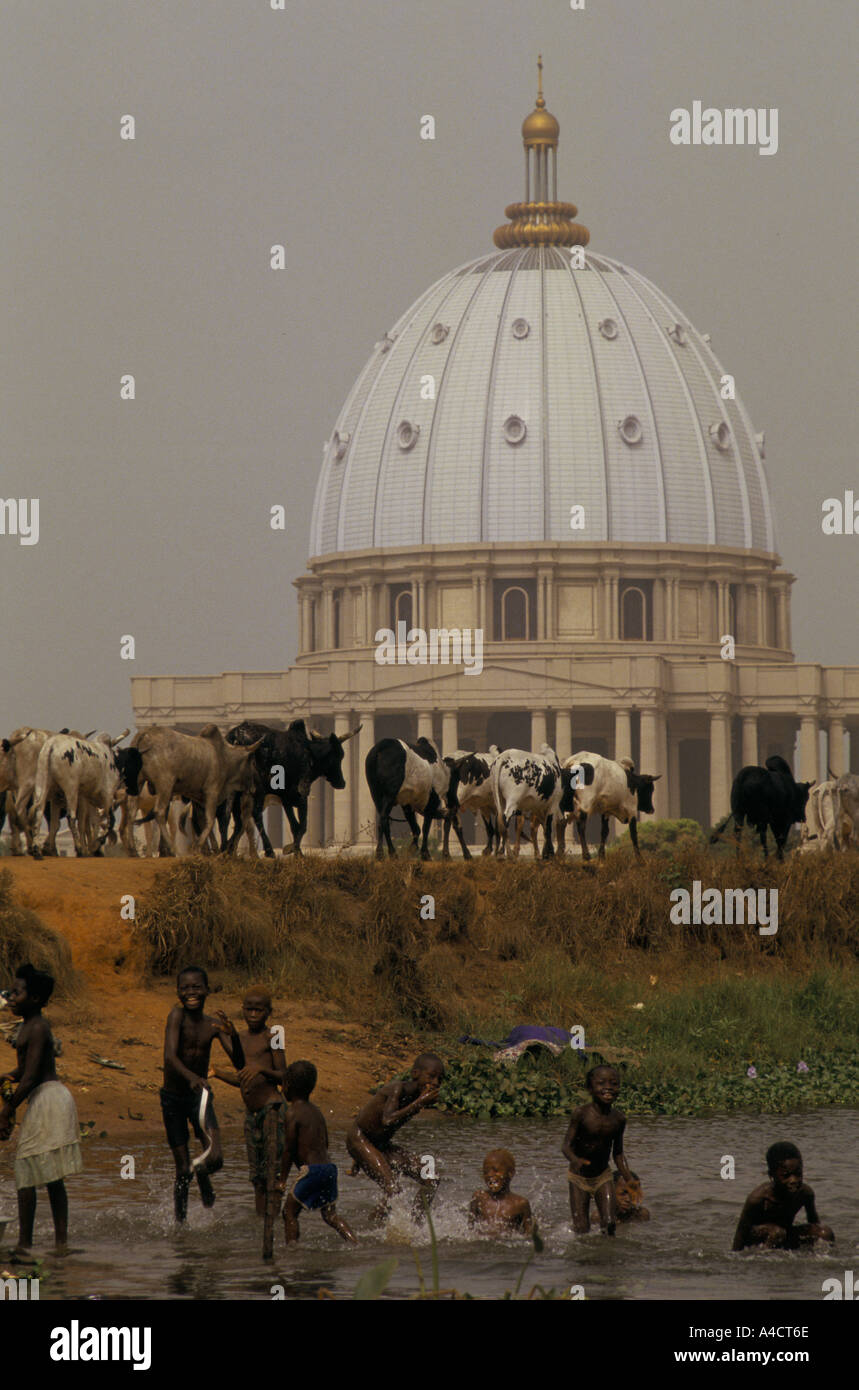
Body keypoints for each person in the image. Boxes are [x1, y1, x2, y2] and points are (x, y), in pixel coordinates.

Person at [0, 963, 83, 1257]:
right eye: (10, 991)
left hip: (48, 1099)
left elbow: (33, 1075)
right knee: (50, 1175)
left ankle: (25, 1245)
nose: (10, 996)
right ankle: (60, 1244)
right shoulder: (30, 1026)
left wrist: (7, 1109)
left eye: (17, 992)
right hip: (49, 1098)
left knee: (26, 1170)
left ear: (34, 999)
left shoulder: (36, 1027)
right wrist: (8, 1077)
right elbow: (25, 1071)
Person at [161, 965, 245, 1222]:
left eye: (196, 987)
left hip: (199, 1098)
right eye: (185, 988)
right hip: (174, 1097)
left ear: (207, 990)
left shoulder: (214, 1025)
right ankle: (180, 1223)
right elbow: (170, 1056)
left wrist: (235, 1035)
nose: (191, 992)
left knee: (216, 1156)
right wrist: (192, 1078)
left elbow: (240, 1063)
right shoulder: (176, 1016)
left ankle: (202, 1171)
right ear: (178, 992)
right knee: (182, 1170)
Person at [211, 986, 288, 1217]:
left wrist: (262, 1069)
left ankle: (271, 1223)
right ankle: (260, 1222)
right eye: (249, 1009)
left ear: (268, 1012)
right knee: (256, 1177)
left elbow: (284, 1074)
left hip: (272, 1110)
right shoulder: (241, 1038)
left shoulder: (273, 1035)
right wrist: (218, 1071)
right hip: (251, 1114)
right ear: (242, 1010)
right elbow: (242, 1073)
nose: (253, 1015)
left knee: (272, 1173)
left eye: (259, 1010)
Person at [346, 1052, 444, 1222]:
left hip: (380, 1144)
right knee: (393, 1190)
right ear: (415, 1074)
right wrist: (359, 1154)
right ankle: (372, 1226)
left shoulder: (417, 1097)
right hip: (360, 1139)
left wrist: (362, 1158)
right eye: (431, 1076)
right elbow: (387, 1120)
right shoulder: (398, 1089)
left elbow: (381, 1126)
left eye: (439, 1079)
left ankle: (416, 1222)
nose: (435, 1083)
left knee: (432, 1179)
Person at [280, 1060, 356, 1245]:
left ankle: (292, 1250)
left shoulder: (292, 1112)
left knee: (289, 1212)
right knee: (330, 1216)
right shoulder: (316, 1112)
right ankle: (354, 1242)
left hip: (311, 1171)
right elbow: (326, 1143)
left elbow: (288, 1150)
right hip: (329, 1169)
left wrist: (281, 1179)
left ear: (288, 1085)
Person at [562, 1064, 633, 1236]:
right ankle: (584, 1259)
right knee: (581, 1228)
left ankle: (607, 1258)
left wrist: (629, 1178)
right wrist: (575, 1160)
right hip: (579, 1178)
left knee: (609, 1223)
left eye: (614, 1084)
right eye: (601, 1083)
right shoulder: (581, 1114)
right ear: (589, 1088)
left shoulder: (619, 1118)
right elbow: (566, 1146)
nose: (608, 1087)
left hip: (603, 1176)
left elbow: (618, 1153)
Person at [732, 1141, 834, 1251]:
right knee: (777, 1233)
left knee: (825, 1233)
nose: (793, 1180)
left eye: (798, 1174)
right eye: (786, 1176)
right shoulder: (758, 1199)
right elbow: (740, 1236)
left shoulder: (805, 1194)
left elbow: (814, 1224)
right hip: (761, 1237)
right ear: (771, 1175)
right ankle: (768, 1262)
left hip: (785, 1233)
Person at [468, 1148, 532, 1234]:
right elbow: (469, 1230)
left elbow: (529, 1235)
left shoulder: (520, 1204)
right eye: (486, 1172)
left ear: (511, 1173)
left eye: (496, 1170)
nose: (490, 1175)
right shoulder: (479, 1198)